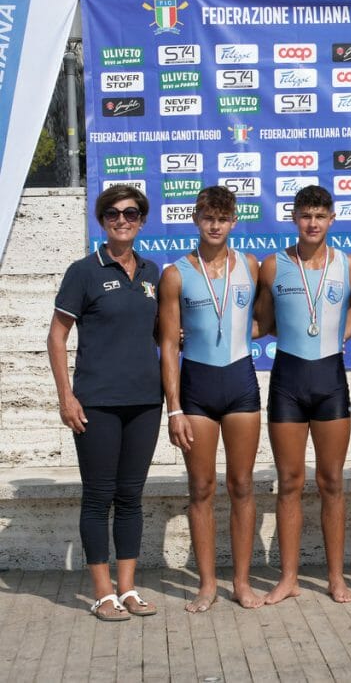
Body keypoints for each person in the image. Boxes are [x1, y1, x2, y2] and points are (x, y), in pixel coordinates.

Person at [47, 184, 162, 621]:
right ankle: (102, 592)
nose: (122, 220)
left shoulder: (152, 272)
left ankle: (128, 589)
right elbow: (56, 336)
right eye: (112, 214)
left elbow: (155, 334)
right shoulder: (84, 271)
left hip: (145, 404)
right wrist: (66, 397)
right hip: (95, 403)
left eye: (130, 213)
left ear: (141, 220)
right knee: (99, 498)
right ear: (102, 221)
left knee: (131, 496)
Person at [253, 185, 351, 604]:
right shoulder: (273, 266)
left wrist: (333, 336)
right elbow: (263, 322)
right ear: (294, 218)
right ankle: (288, 578)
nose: (313, 223)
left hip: (330, 379)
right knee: (290, 483)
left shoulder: (349, 266)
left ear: (332, 219)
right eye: (305, 215)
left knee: (332, 481)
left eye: (320, 215)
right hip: (288, 382)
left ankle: (336, 578)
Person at [158, 186, 263, 612]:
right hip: (196, 390)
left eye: (223, 218)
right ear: (196, 219)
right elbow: (167, 345)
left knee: (241, 485)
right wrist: (174, 407)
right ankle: (206, 584)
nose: (216, 225)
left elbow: (263, 321)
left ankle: (240, 581)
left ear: (234, 221)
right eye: (208, 217)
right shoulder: (176, 273)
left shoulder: (251, 266)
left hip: (240, 383)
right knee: (201, 488)